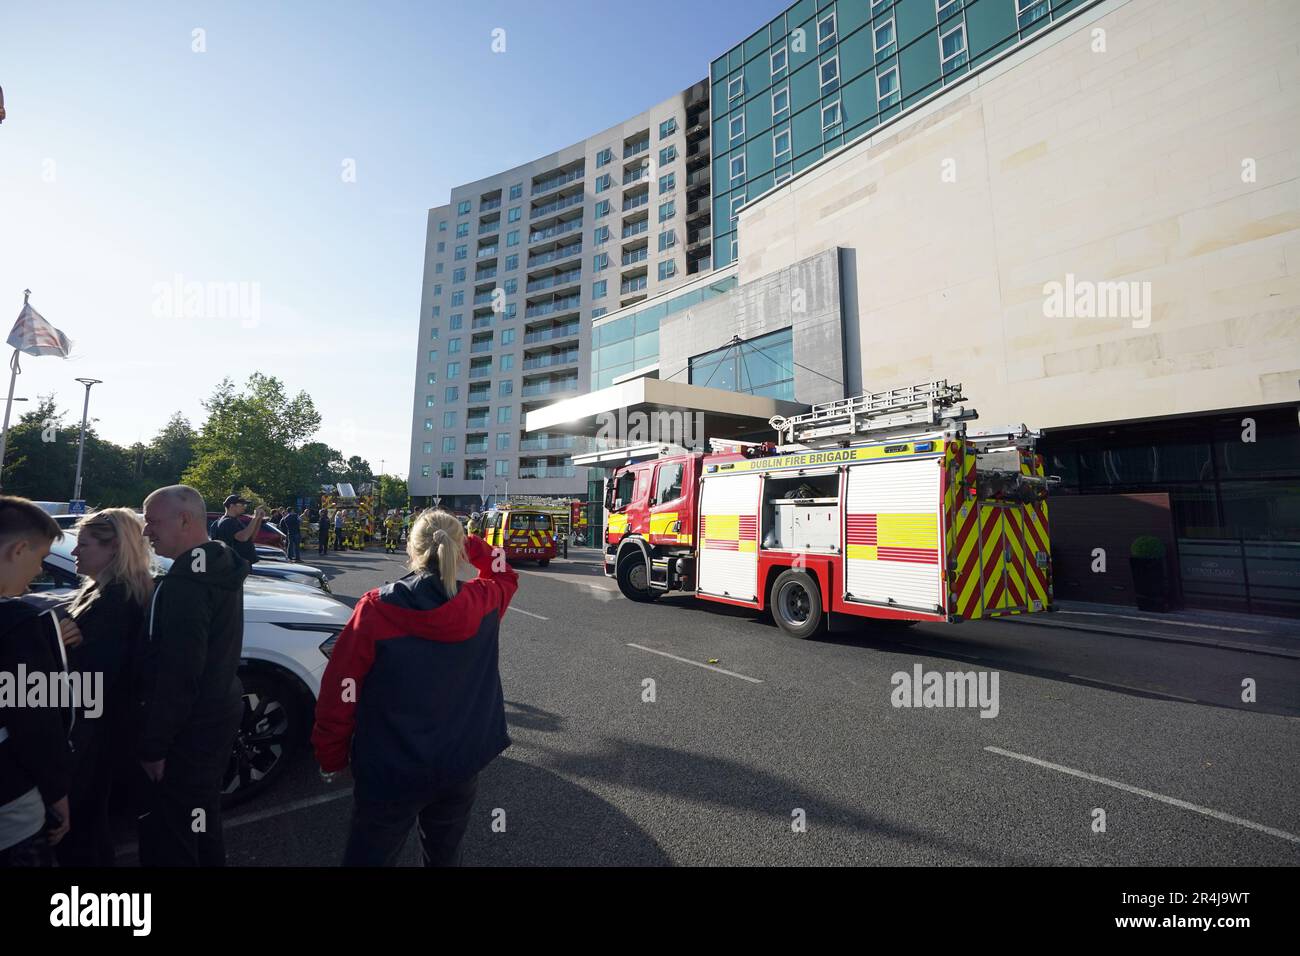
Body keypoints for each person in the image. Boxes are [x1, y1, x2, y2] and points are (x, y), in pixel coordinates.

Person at [312, 510, 518, 866]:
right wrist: (473, 546)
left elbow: (341, 691)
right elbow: (504, 572)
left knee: (370, 854)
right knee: (444, 855)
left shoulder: (376, 608)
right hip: (460, 762)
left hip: (392, 766)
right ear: (459, 549)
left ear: (412, 546)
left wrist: (331, 755)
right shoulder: (483, 601)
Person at [136, 485, 248, 867]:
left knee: (172, 835)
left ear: (185, 520)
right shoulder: (219, 561)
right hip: (216, 714)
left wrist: (155, 746)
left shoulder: (187, 583)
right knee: (201, 819)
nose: (146, 532)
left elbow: (179, 672)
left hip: (189, 728)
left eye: (152, 522)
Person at [54, 508, 154, 867]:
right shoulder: (108, 589)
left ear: (114, 549)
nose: (75, 552)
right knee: (88, 826)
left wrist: (62, 647)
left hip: (94, 734)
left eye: (83, 544)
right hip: (100, 729)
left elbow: (94, 680)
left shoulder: (115, 600)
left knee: (80, 830)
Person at [0, 497, 71, 867]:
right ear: (19, 549)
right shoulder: (19, 623)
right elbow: (36, 721)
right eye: (39, 557)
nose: (40, 569)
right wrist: (58, 793)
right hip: (11, 812)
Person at [212, 494, 263, 567]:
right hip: (234, 566)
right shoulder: (227, 522)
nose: (244, 507)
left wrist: (259, 519)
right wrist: (255, 518)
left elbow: (250, 537)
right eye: (242, 505)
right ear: (232, 506)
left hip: (241, 565)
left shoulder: (235, 520)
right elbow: (243, 537)